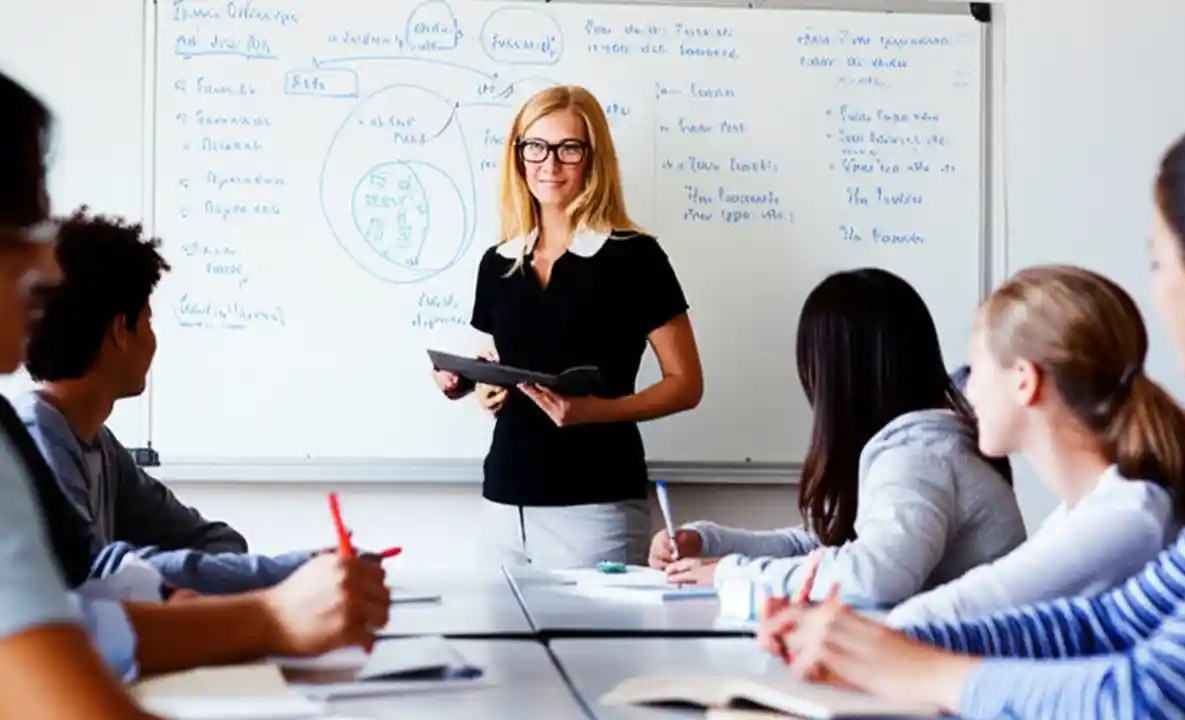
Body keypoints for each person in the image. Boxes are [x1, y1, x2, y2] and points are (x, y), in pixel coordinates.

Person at [760, 113, 1185, 718]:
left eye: (1159, 263)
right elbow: (1113, 621)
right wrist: (879, 644)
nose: (1156, 288)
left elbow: (1159, 695)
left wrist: (917, 669)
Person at [0, 70, 388, 717]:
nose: (46, 269)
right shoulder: (28, 435)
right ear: (121, 330)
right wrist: (271, 608)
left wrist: (230, 607)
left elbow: (86, 606)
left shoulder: (36, 439)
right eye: (28, 231)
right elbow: (86, 613)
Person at [431, 85, 704, 568]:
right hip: (504, 503)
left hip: (596, 508)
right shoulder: (498, 262)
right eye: (535, 147)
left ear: (593, 158)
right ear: (518, 155)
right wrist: (472, 384)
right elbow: (508, 368)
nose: (549, 164)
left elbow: (686, 385)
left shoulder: (635, 258)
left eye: (568, 149)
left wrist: (595, 411)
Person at [650, 269, 1026, 604]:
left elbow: (875, 576)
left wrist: (730, 574)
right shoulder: (921, 444)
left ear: (836, 376)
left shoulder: (917, 456)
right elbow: (819, 544)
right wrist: (706, 541)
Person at [885, 265, 1185, 626]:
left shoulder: (1128, 515)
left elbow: (949, 613)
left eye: (977, 369)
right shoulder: (1090, 508)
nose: (969, 391)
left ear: (1024, 381)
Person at [21, 207, 317, 594]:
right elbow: (94, 571)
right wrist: (298, 571)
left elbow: (214, 540)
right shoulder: (35, 439)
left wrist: (201, 573)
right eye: (147, 320)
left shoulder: (100, 446)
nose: (153, 340)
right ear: (120, 331)